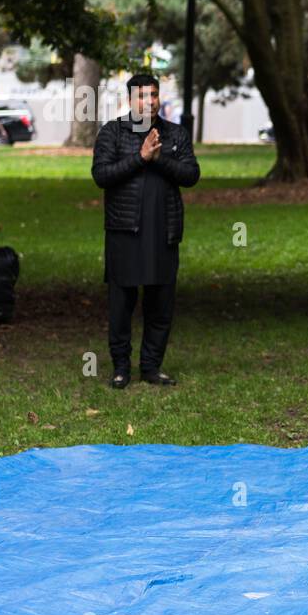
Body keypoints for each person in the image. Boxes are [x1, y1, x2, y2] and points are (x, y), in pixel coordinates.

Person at [91, 74, 200, 389]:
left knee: (160, 306)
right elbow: (102, 175)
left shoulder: (175, 134)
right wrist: (140, 157)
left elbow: (191, 174)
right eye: (142, 96)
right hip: (124, 233)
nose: (149, 101)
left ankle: (151, 367)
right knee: (121, 307)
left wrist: (158, 158)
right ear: (130, 100)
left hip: (163, 233)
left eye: (153, 95)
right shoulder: (113, 132)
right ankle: (121, 368)